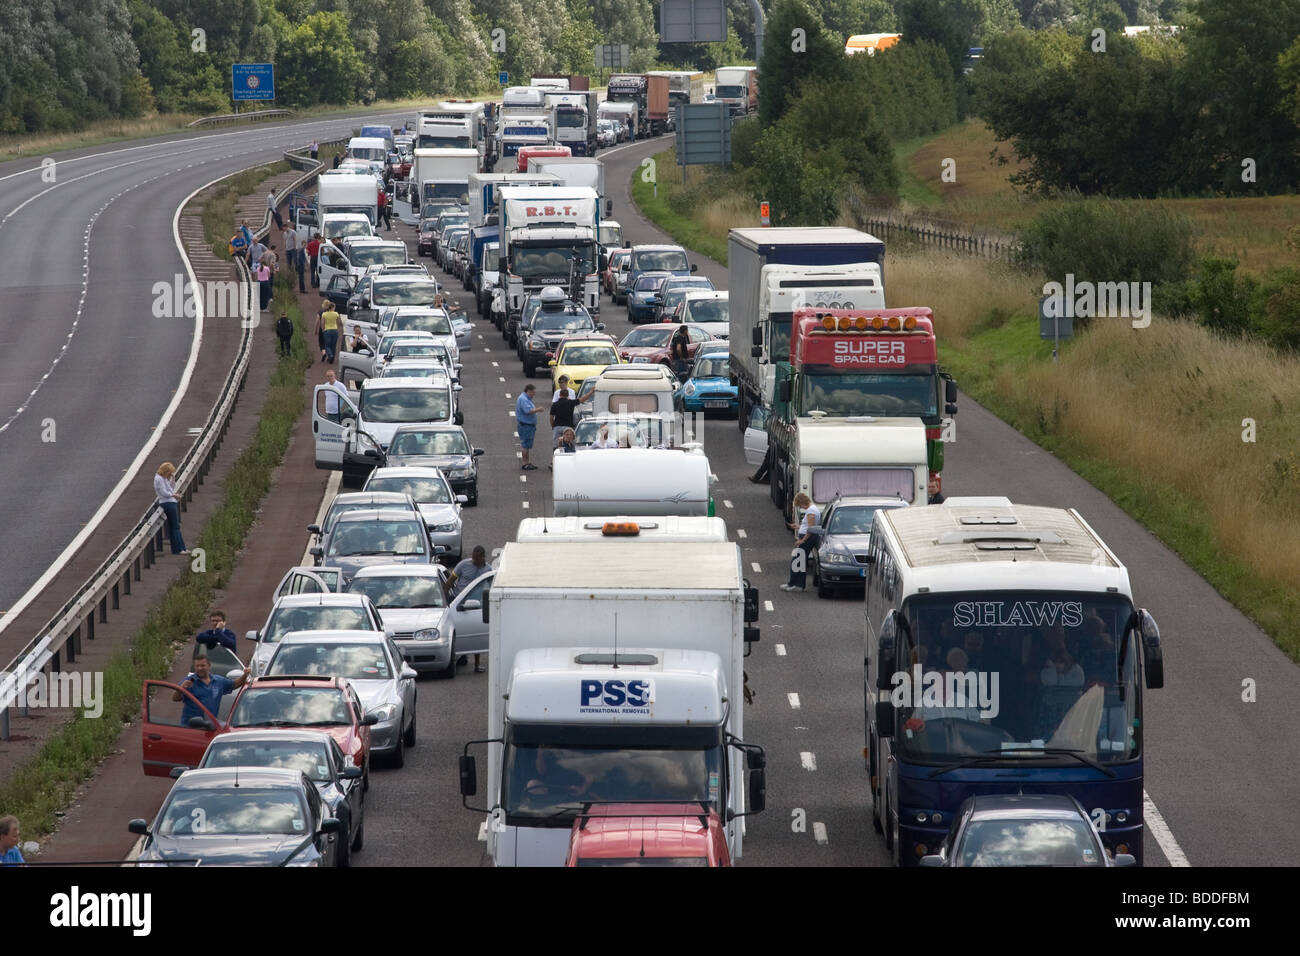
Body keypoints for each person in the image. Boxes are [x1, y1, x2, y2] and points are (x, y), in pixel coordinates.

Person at [174, 651, 248, 727]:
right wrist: (181, 688)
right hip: (190, 727)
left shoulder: (218, 681)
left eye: (202, 665)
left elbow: (234, 684)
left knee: (226, 728)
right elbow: (175, 698)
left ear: (209, 666)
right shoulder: (188, 681)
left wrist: (245, 675)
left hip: (210, 727)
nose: (199, 668)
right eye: (197, 666)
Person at [448, 546, 491, 672]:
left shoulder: (488, 570)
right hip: (457, 601)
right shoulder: (463, 565)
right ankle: (458, 656)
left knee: (475, 630)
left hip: (475, 604)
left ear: (483, 557)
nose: (473, 560)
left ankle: (476, 664)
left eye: (476, 559)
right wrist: (445, 600)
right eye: (472, 557)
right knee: (455, 629)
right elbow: (451, 580)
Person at [780, 493, 820, 592]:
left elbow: (810, 528)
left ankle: (796, 584)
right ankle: (795, 583)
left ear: (803, 502)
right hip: (808, 536)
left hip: (807, 538)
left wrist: (802, 540)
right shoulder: (813, 509)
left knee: (797, 561)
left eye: (800, 505)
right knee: (799, 560)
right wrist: (798, 527)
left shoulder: (811, 511)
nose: (801, 507)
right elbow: (809, 526)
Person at [154, 462, 188, 556]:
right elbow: (164, 493)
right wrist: (174, 495)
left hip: (171, 501)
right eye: (169, 473)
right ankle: (178, 549)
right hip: (167, 503)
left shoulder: (163, 478)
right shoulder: (159, 479)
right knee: (175, 526)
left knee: (175, 526)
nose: (169, 475)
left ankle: (181, 547)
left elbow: (171, 488)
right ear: (165, 471)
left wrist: (173, 479)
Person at [516, 384, 538, 470]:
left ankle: (527, 462)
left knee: (527, 445)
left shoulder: (525, 398)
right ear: (528, 391)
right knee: (525, 445)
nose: (533, 395)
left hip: (527, 425)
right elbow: (528, 411)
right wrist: (538, 409)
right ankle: (525, 463)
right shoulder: (523, 399)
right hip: (526, 425)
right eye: (533, 393)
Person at [550, 376, 577, 446]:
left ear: (566, 382)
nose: (560, 384)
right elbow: (554, 403)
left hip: (568, 418)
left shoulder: (572, 392)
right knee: (556, 442)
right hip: (559, 418)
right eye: (559, 383)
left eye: (562, 382)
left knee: (569, 441)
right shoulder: (557, 392)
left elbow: (572, 404)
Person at [284, 225, 304, 293]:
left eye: (285, 228)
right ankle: (290, 271)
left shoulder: (292, 232)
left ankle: (296, 270)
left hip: (292, 248)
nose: (284, 229)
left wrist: (295, 246)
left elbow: (295, 239)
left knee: (295, 260)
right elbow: (285, 240)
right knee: (288, 261)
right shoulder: (284, 233)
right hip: (287, 248)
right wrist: (285, 247)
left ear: (287, 227)